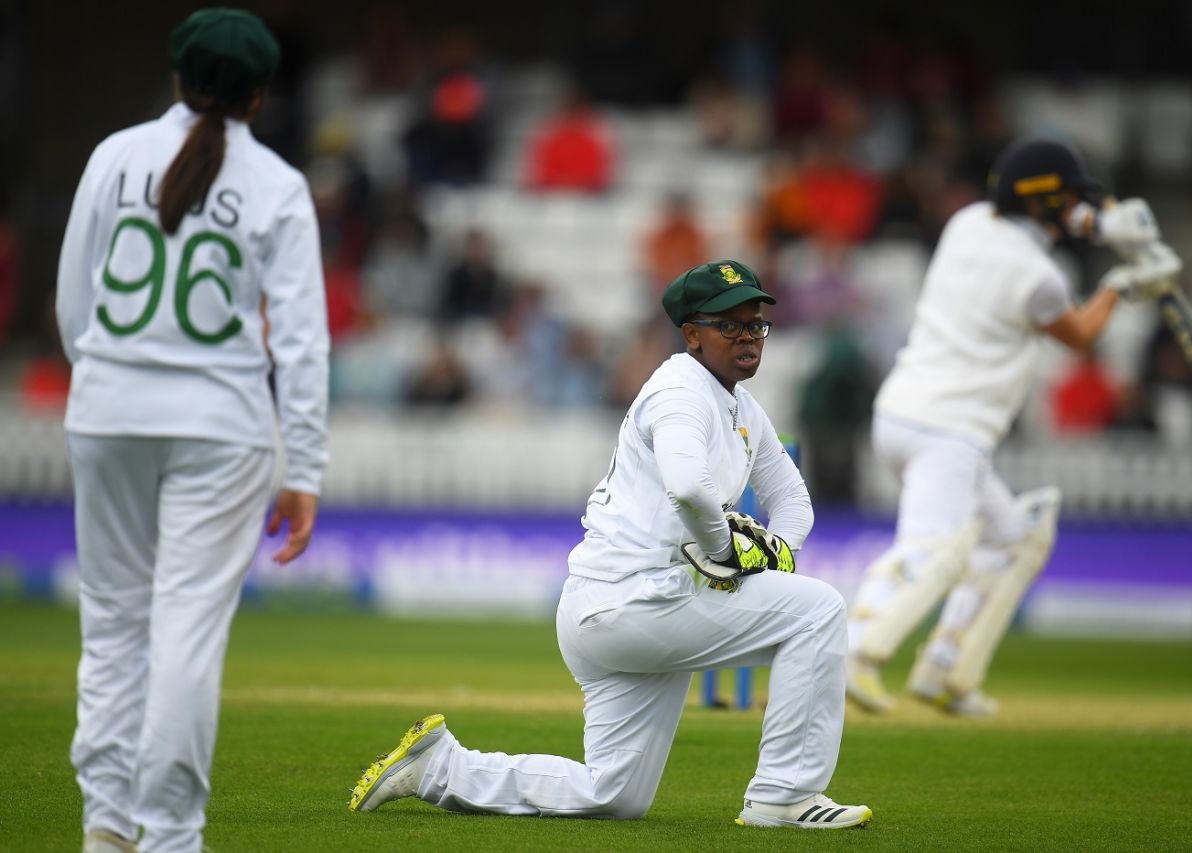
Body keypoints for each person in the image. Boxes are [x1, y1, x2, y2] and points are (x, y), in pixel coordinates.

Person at [349, 260, 871, 830]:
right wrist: (726, 549)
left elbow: (795, 503)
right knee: (818, 610)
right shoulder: (679, 392)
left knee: (615, 794)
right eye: (729, 325)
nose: (747, 337)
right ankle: (784, 796)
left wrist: (776, 552)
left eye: (755, 325)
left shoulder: (741, 407)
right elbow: (689, 489)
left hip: (621, 607)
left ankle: (441, 769)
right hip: (636, 599)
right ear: (691, 334)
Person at [55, 10, 329, 852]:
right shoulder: (278, 184)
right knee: (184, 633)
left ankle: (106, 826)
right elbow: (303, 338)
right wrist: (306, 465)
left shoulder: (113, 156)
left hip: (107, 410)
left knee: (111, 624)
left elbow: (74, 301)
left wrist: (108, 381)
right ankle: (171, 834)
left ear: (178, 77)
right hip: (222, 426)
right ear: (260, 92)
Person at [844, 137, 1180, 717]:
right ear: (1044, 200)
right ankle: (851, 655)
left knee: (1016, 536)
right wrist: (1123, 284)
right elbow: (1078, 335)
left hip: (904, 414)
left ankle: (945, 669)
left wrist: (1107, 226)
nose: (1077, 206)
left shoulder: (969, 221)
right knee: (933, 547)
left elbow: (1058, 218)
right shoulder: (1036, 276)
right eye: (1070, 196)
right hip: (948, 431)